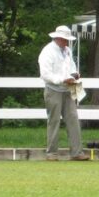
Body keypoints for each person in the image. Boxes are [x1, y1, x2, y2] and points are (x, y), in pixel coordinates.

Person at [38, 25, 89, 161]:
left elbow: (71, 66)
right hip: (53, 90)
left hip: (68, 88)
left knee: (73, 119)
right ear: (58, 38)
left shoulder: (67, 51)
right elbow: (45, 74)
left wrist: (74, 74)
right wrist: (62, 79)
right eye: (65, 39)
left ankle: (77, 152)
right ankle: (51, 153)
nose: (67, 42)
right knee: (54, 121)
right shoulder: (47, 52)